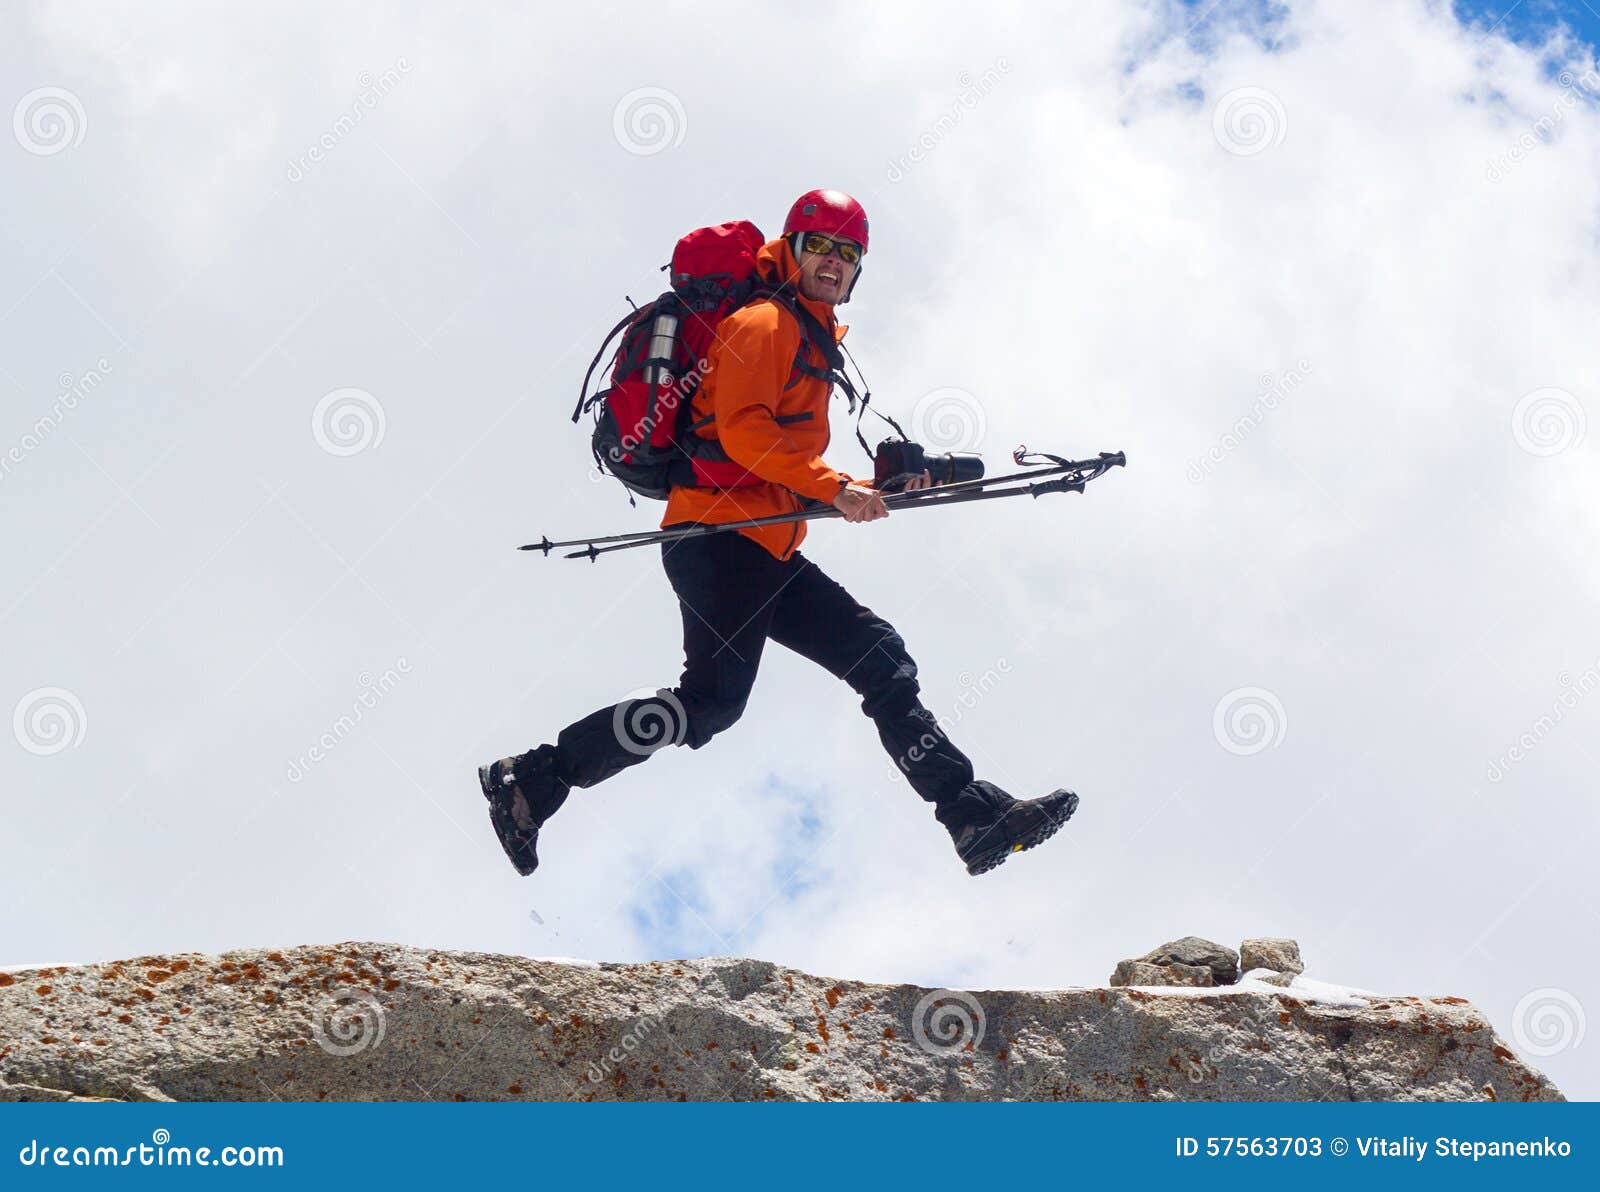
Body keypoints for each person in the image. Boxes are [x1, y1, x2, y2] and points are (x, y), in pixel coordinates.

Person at [480, 189, 1077, 877]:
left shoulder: (806, 336)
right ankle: (534, 779)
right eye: (820, 245)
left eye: (848, 252)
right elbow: (744, 433)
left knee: (878, 657)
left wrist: (870, 487)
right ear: (791, 249)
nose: (833, 260)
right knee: (712, 703)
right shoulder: (766, 323)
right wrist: (835, 489)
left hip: (760, 543)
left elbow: (774, 463)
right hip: (719, 541)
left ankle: (971, 815)